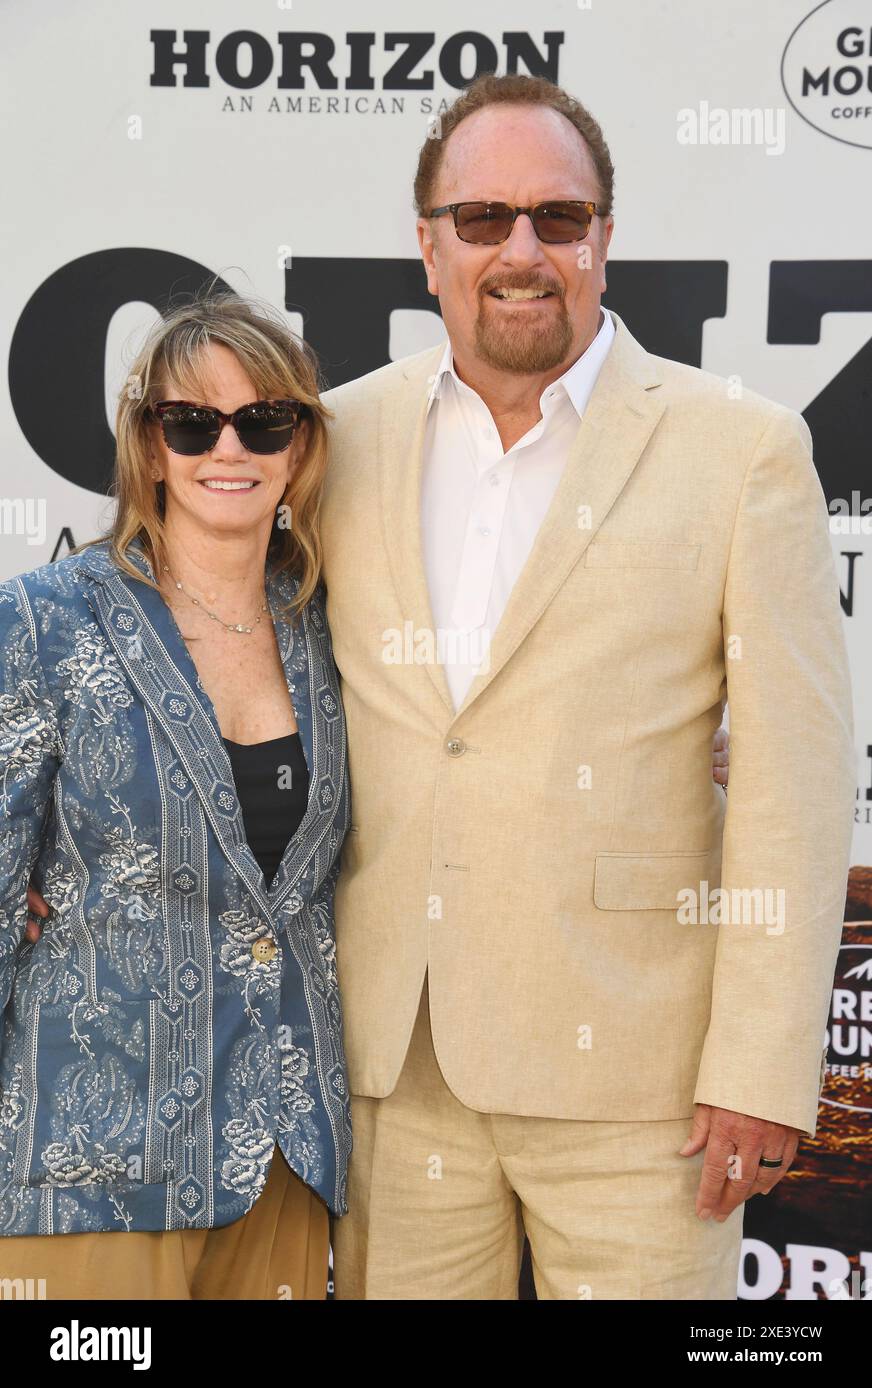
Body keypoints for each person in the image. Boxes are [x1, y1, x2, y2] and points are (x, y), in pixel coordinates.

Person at [316, 74, 855, 1299]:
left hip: (643, 1090)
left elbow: (795, 778)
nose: (521, 250)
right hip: (398, 1075)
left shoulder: (740, 448)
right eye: (483, 218)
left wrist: (761, 1067)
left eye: (559, 218)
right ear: (426, 244)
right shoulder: (337, 440)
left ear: (603, 237)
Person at [0, 293, 350, 1299]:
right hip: (87, 1158)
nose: (227, 448)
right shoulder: (42, 623)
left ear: (299, 446)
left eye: (263, 420)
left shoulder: (337, 629)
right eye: (191, 422)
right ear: (150, 446)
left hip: (282, 1158)